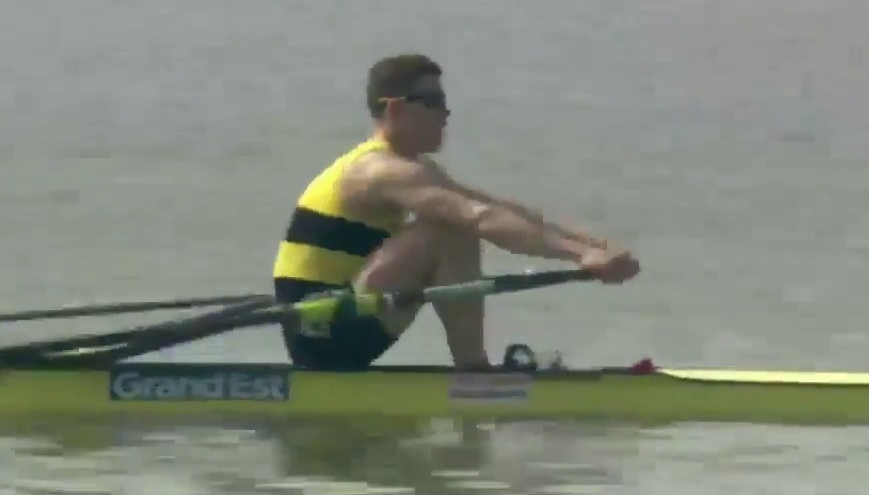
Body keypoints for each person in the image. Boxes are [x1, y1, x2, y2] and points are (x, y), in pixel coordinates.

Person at [271, 54, 640, 371]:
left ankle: (473, 370)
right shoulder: (381, 171)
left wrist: (593, 244)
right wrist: (579, 254)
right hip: (323, 328)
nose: (446, 113)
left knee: (456, 221)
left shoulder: (410, 168)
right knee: (451, 229)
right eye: (432, 101)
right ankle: (474, 373)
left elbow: (497, 209)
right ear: (396, 109)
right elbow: (479, 218)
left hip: (339, 319)